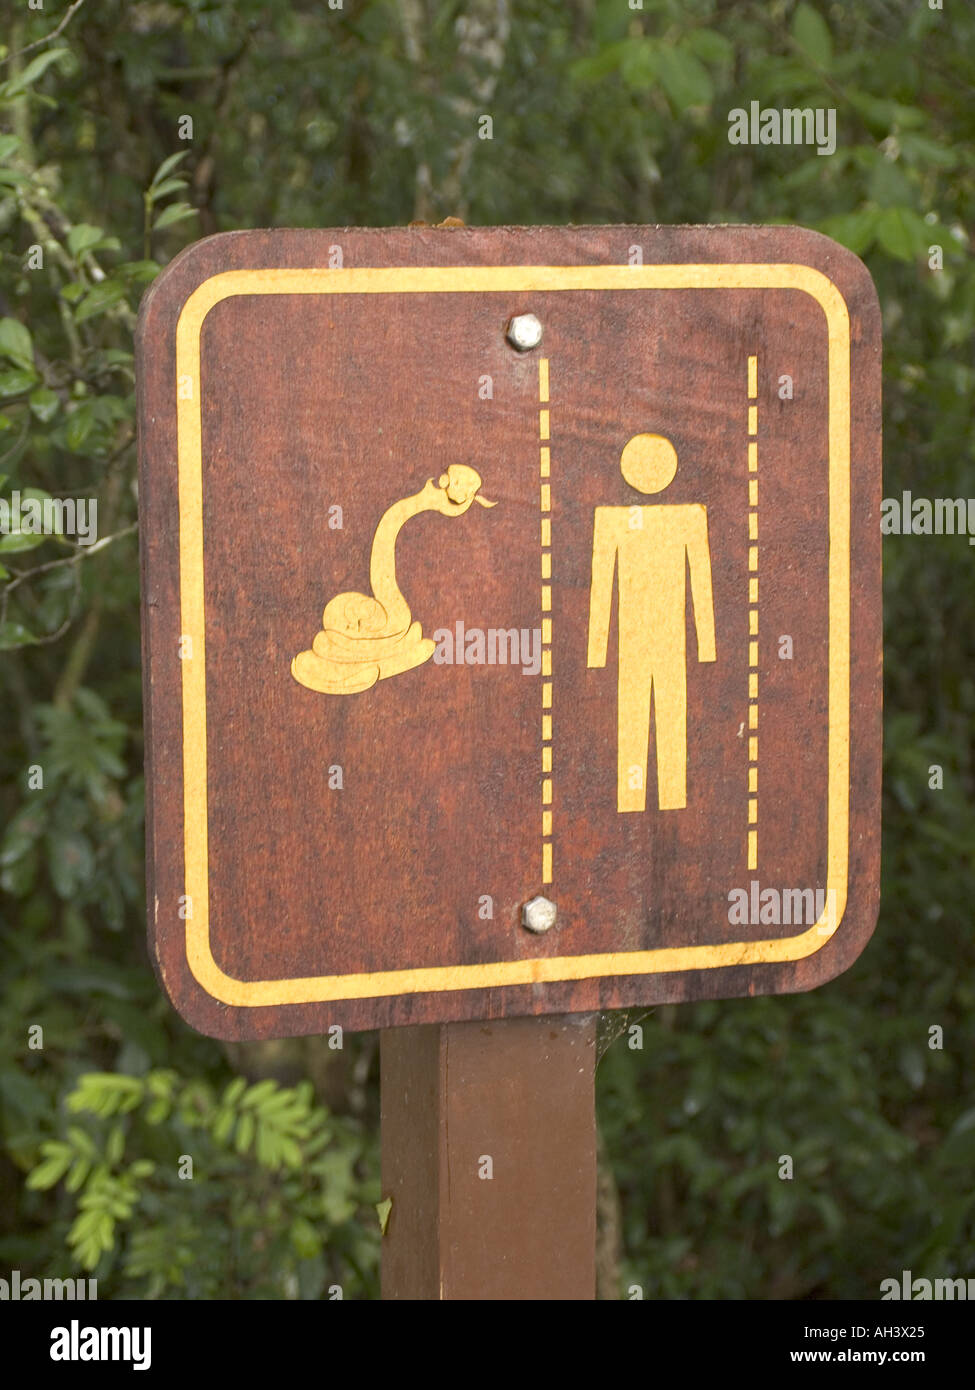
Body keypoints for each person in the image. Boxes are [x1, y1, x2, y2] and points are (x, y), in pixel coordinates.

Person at [587, 434, 716, 812]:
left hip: (670, 638)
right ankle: (631, 798)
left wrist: (706, 644)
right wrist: (597, 649)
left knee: (672, 715)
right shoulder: (611, 520)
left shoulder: (688, 518)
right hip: (633, 638)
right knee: (633, 715)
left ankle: (672, 797)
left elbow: (701, 581)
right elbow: (601, 585)